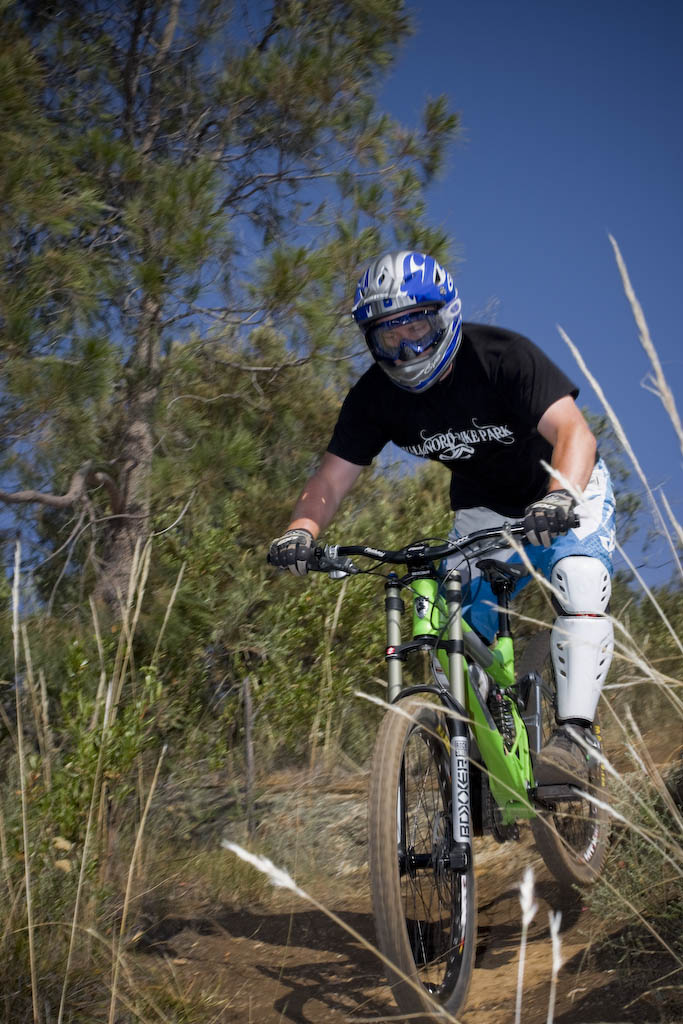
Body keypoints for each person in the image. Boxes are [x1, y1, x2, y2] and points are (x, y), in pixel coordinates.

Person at [268, 251, 615, 785]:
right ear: (372, 341)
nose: (407, 347)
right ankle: (478, 749)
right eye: (390, 336)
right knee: (448, 622)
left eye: (418, 327)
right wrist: (301, 529)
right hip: (483, 512)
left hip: (565, 487)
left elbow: (576, 434)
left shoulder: (501, 356)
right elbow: (330, 480)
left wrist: (558, 498)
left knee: (580, 578)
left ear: (446, 315)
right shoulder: (374, 397)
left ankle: (574, 738)